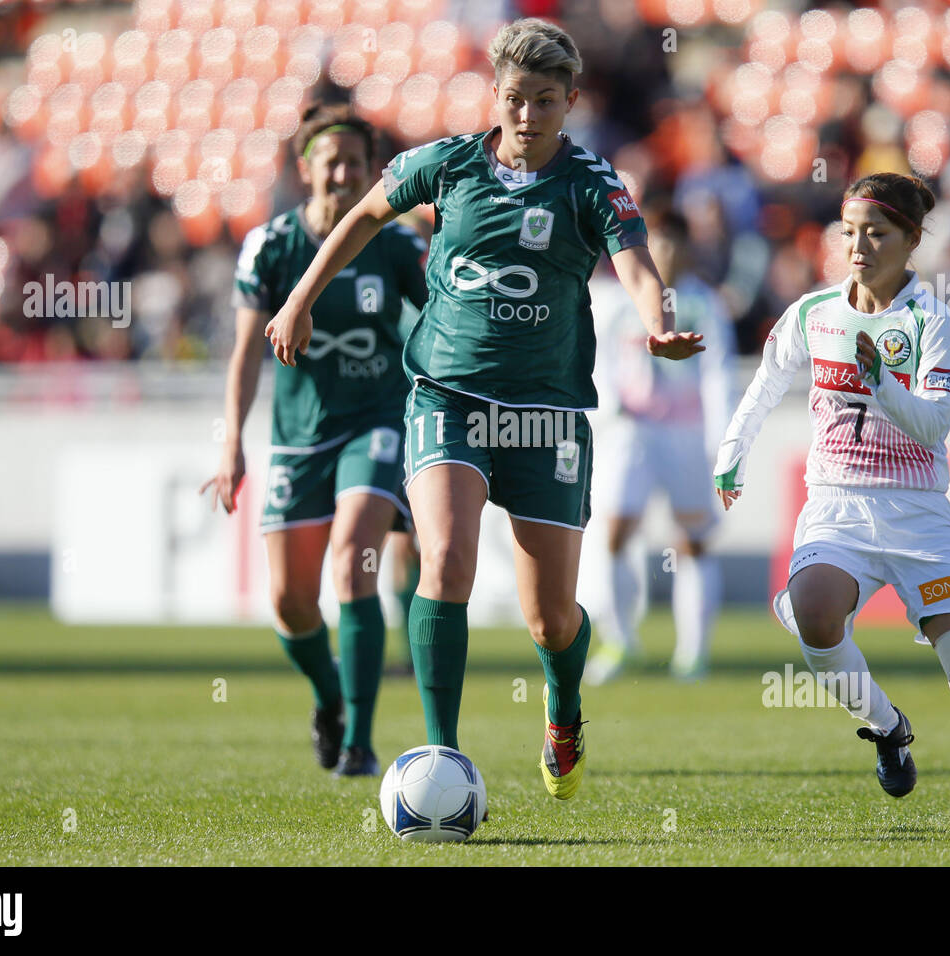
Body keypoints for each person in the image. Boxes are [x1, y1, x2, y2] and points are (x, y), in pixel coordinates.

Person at [266, 18, 703, 801]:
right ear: (495, 97)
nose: (528, 116)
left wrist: (656, 321)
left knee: (552, 621)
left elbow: (633, 263)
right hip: (447, 396)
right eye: (514, 99)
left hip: (546, 414)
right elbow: (364, 214)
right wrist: (300, 296)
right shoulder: (449, 164)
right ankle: (442, 758)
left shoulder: (591, 181)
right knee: (445, 562)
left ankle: (563, 705)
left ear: (570, 101)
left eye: (544, 100)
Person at [713, 172, 950, 831]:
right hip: (837, 506)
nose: (860, 244)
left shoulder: (931, 320)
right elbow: (765, 384)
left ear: (912, 239)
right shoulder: (813, 313)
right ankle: (887, 727)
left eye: (877, 232)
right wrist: (733, 450)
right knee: (814, 611)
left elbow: (933, 425)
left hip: (919, 516)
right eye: (850, 230)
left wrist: (880, 386)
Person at [202, 104, 427, 777]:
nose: (342, 172)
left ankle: (359, 741)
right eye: (330, 161)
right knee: (290, 604)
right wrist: (231, 443)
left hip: (376, 425)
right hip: (298, 437)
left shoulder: (395, 245)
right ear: (306, 169)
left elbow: (441, 317)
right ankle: (330, 697)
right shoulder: (270, 247)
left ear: (369, 173)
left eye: (355, 163)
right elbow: (246, 353)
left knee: (354, 556)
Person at [586, 206, 736, 683]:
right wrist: (608, 411)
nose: (666, 253)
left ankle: (693, 651)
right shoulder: (618, 301)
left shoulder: (704, 303)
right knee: (614, 532)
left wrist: (722, 439)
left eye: (674, 243)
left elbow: (719, 372)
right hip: (631, 432)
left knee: (691, 539)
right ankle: (620, 640)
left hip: (685, 434)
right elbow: (599, 362)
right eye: (658, 244)